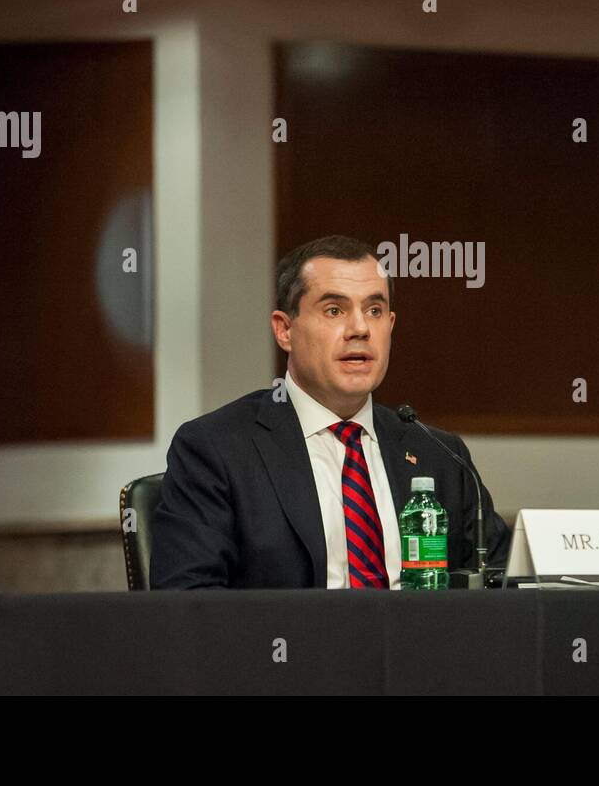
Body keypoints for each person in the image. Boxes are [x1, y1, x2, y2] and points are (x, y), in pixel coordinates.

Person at [150, 234, 511, 589]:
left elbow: (500, 584)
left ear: (390, 327)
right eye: (334, 310)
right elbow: (189, 605)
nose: (359, 329)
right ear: (285, 330)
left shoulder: (440, 455)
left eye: (374, 310)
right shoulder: (216, 449)